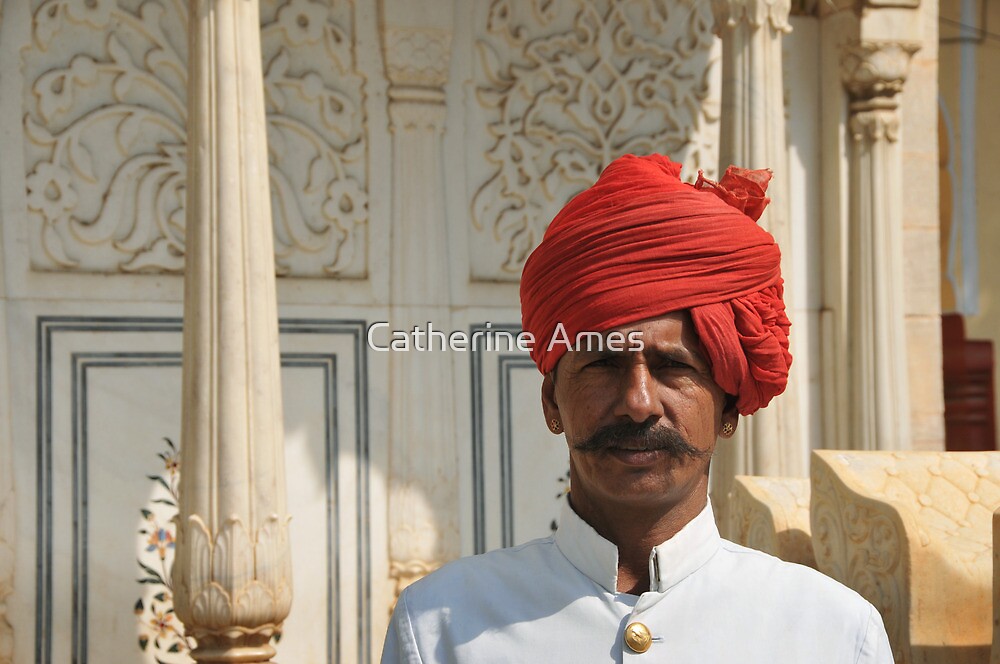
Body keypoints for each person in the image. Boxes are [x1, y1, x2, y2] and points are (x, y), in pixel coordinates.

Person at [380, 154, 892, 663]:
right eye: (603, 364)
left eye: (672, 366)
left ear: (729, 408)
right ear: (551, 403)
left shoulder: (831, 633)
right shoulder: (441, 626)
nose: (638, 403)